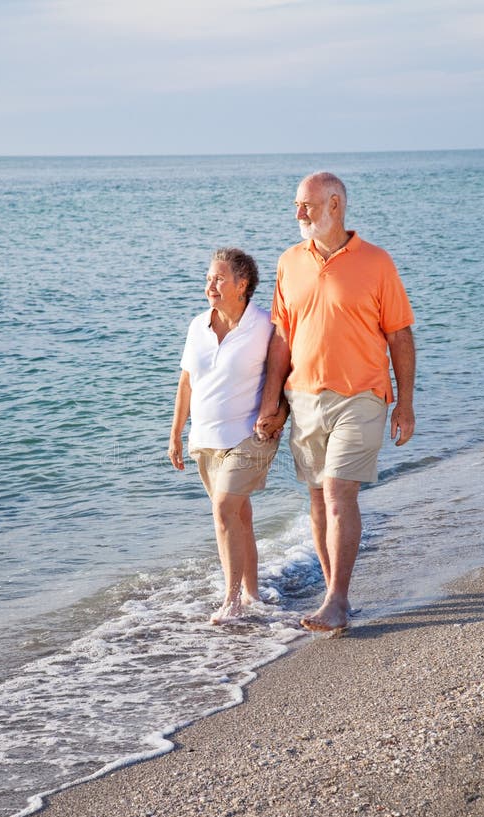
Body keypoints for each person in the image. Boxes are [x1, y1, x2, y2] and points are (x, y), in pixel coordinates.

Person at [256, 172, 415, 633]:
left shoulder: (377, 262)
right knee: (318, 498)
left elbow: (399, 335)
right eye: (296, 205)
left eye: (306, 205)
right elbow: (282, 338)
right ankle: (333, 594)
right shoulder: (289, 262)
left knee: (338, 491)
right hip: (303, 398)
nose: (298, 213)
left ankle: (338, 600)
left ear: (334, 205)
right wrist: (272, 403)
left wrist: (404, 404)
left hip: (362, 395)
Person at [168, 248, 287, 625]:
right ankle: (252, 594)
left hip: (249, 435)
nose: (210, 286)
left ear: (243, 284)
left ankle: (231, 599)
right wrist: (175, 435)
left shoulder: (266, 326)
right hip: (204, 436)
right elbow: (186, 383)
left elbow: (284, 376)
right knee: (238, 515)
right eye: (208, 278)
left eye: (219, 279)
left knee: (223, 509)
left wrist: (279, 414)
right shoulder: (197, 326)